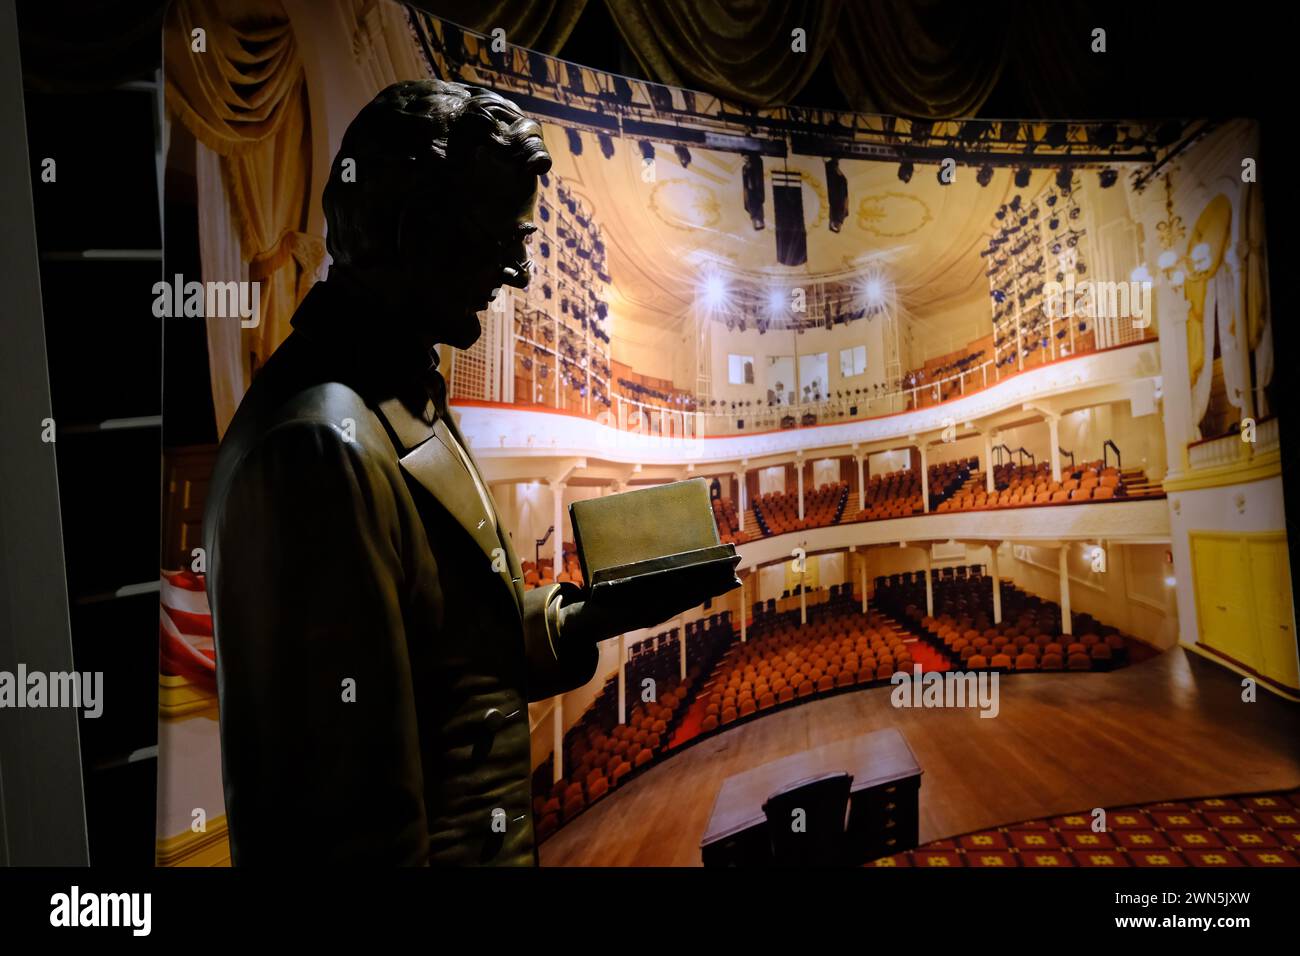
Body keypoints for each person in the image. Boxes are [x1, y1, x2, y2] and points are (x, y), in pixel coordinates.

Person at [203, 80, 709, 866]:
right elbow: (345, 828)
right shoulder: (316, 448)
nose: (516, 274)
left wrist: (591, 616)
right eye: (496, 241)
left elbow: (456, 659)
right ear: (413, 232)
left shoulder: (402, 392)